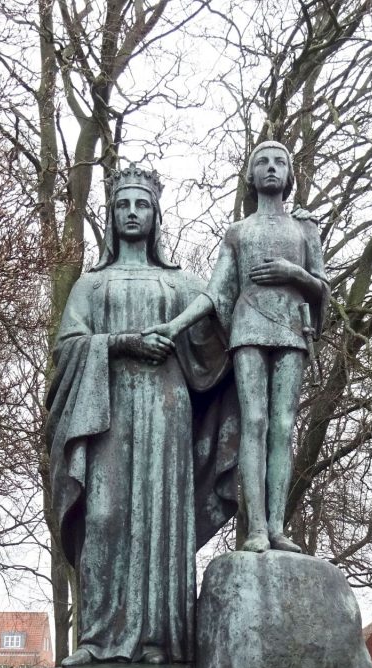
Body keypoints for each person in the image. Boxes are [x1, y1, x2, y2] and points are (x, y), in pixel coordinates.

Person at [46, 164, 238, 667]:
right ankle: (97, 639)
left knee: (161, 520)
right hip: (106, 411)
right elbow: (67, 349)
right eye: (123, 205)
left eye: (142, 205)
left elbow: (216, 344)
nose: (133, 213)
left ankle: (161, 641)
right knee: (105, 517)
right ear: (111, 216)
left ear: (156, 216)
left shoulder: (181, 284)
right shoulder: (90, 285)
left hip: (165, 409)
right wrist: (123, 344)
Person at [144, 141, 329, 553]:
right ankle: (257, 528)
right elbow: (215, 293)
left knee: (283, 426)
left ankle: (278, 526)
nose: (270, 168)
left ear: (289, 174)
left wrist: (293, 273)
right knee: (255, 423)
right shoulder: (238, 232)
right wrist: (174, 327)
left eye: (279, 161)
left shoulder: (304, 229)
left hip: (292, 329)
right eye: (261, 162)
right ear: (250, 175)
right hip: (248, 327)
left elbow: (321, 287)